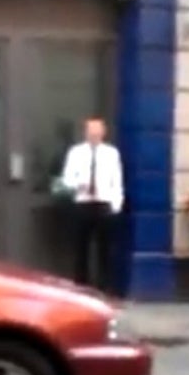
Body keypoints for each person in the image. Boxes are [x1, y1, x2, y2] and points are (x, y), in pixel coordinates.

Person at [59, 117, 124, 289]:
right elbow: (66, 180)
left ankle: (105, 288)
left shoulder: (111, 153)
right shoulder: (76, 152)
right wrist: (80, 183)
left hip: (103, 204)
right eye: (91, 131)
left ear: (103, 132)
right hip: (83, 203)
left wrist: (115, 205)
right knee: (81, 248)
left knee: (105, 250)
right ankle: (81, 286)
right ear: (86, 133)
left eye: (97, 131)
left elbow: (116, 181)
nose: (94, 134)